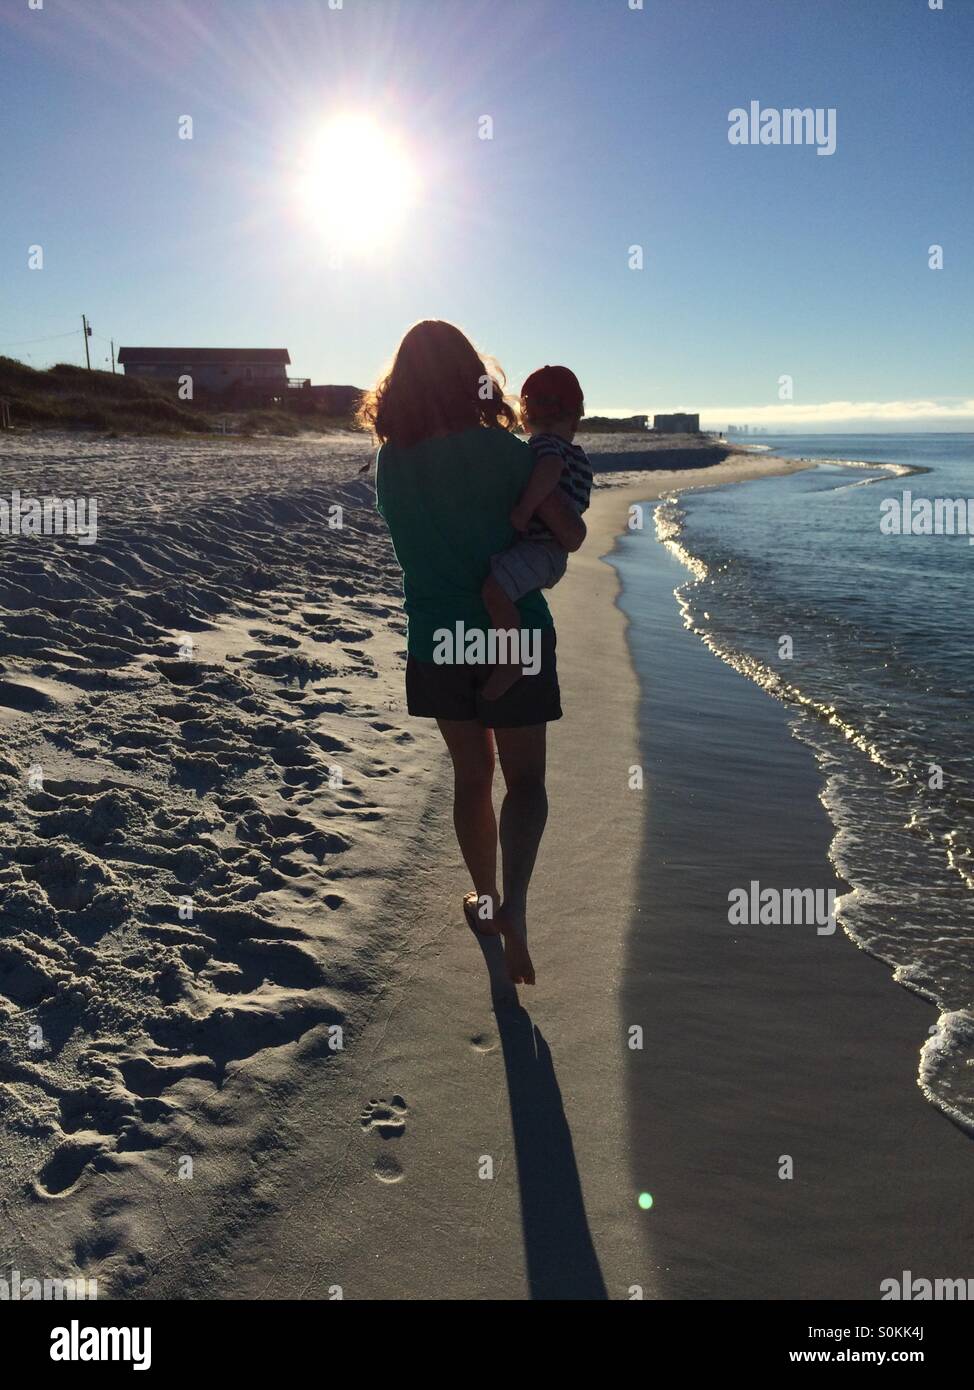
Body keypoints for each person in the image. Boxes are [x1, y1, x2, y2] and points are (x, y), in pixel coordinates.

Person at [362, 320, 586, 985]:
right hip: (510, 634)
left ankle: (485, 901)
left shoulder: (390, 463)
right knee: (527, 783)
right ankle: (513, 905)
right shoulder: (507, 453)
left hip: (437, 639)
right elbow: (562, 529)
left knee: (471, 776)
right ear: (475, 378)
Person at [481, 365, 592, 699]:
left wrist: (525, 509)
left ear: (526, 419)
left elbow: (549, 471)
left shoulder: (545, 447)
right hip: (550, 552)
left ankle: (511, 660)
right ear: (575, 420)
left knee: (494, 592)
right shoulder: (579, 456)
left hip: (541, 549)